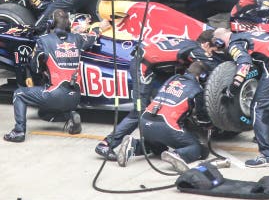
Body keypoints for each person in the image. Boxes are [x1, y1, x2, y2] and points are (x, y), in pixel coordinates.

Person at [95, 30, 222, 161]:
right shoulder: (196, 49)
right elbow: (213, 65)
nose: (211, 54)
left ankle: (162, 138)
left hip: (153, 66)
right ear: (206, 45)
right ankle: (106, 144)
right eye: (212, 50)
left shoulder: (188, 43)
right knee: (139, 111)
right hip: (143, 66)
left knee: (166, 102)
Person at [3, 9, 99, 143]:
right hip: (75, 97)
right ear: (68, 23)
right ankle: (71, 115)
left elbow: (35, 67)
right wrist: (99, 26)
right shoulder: (77, 38)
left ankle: (18, 131)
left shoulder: (44, 41)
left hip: (55, 94)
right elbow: (94, 35)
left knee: (19, 94)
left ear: (51, 23)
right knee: (44, 113)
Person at [212, 27, 269, 167]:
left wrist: (233, 87)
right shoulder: (246, 35)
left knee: (258, 107)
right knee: (268, 101)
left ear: (220, 41)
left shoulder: (234, 43)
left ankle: (267, 156)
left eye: (217, 45)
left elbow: (244, 63)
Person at [116, 61, 210, 173]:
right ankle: (177, 155)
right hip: (166, 126)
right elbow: (202, 117)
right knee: (198, 148)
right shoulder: (196, 89)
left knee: (159, 148)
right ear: (202, 76)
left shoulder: (172, 79)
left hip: (145, 121)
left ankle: (134, 145)